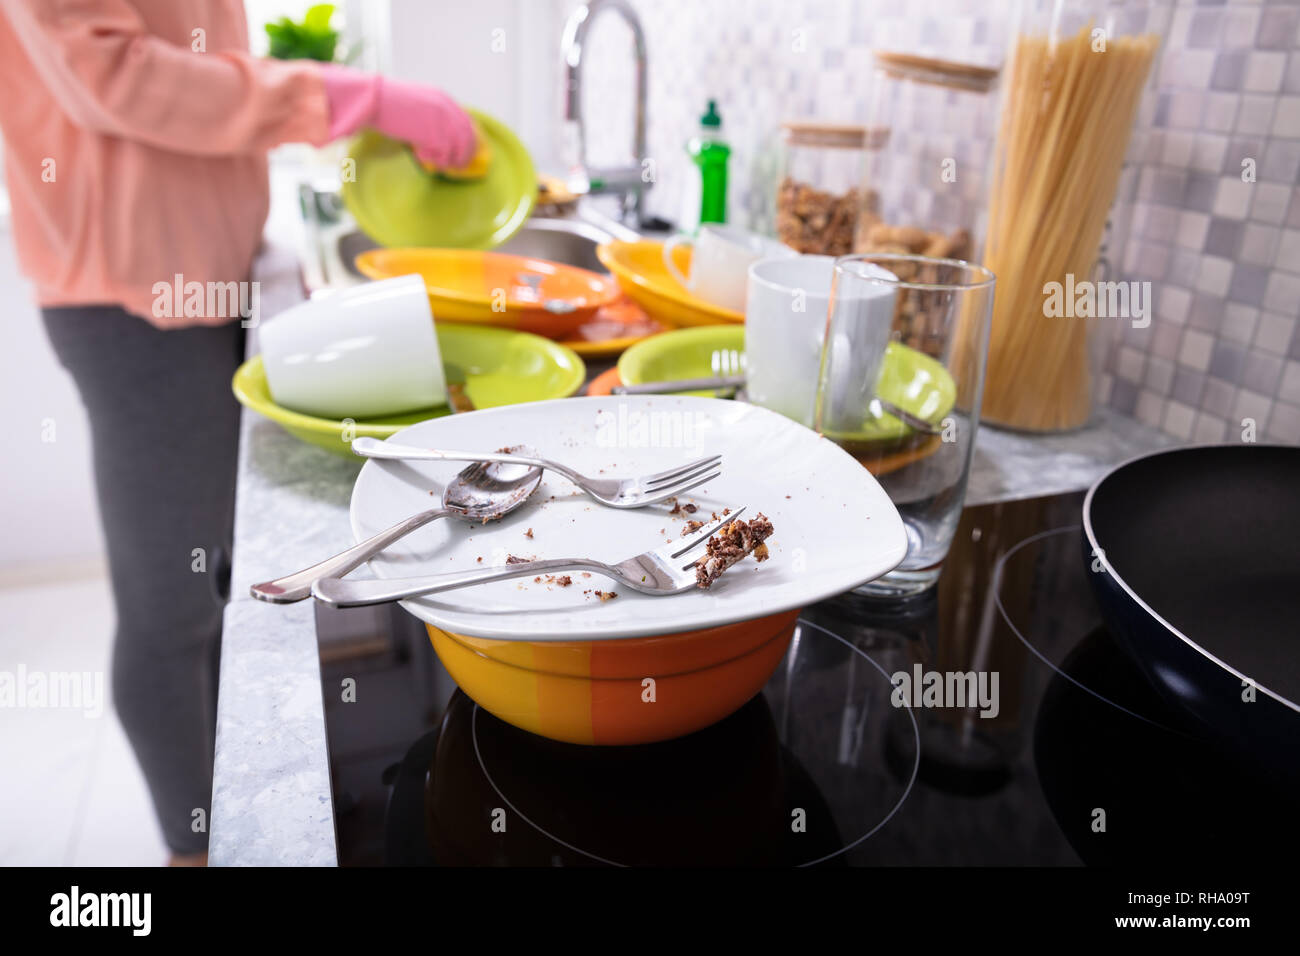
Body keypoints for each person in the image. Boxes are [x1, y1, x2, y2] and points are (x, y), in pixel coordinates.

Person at [0, 0, 474, 865]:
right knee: (169, 615)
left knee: (207, 581)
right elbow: (126, 82)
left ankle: (224, 821)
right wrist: (349, 97)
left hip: (204, 279)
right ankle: (196, 853)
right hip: (133, 299)